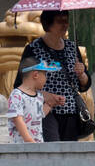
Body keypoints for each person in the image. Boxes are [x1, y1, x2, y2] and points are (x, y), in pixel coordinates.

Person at [21, 10, 87, 141]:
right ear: (47, 24)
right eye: (59, 21)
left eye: (66, 20)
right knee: (52, 150)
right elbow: (20, 85)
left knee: (70, 154)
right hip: (45, 111)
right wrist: (46, 96)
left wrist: (82, 74)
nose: (65, 25)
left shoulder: (72, 48)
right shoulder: (33, 49)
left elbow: (83, 86)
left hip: (70, 113)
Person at [7, 55, 61, 142]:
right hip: (20, 146)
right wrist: (29, 140)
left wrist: (50, 104)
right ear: (35, 75)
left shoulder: (39, 95)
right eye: (44, 75)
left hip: (36, 145)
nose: (46, 79)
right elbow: (17, 119)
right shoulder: (17, 95)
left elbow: (39, 114)